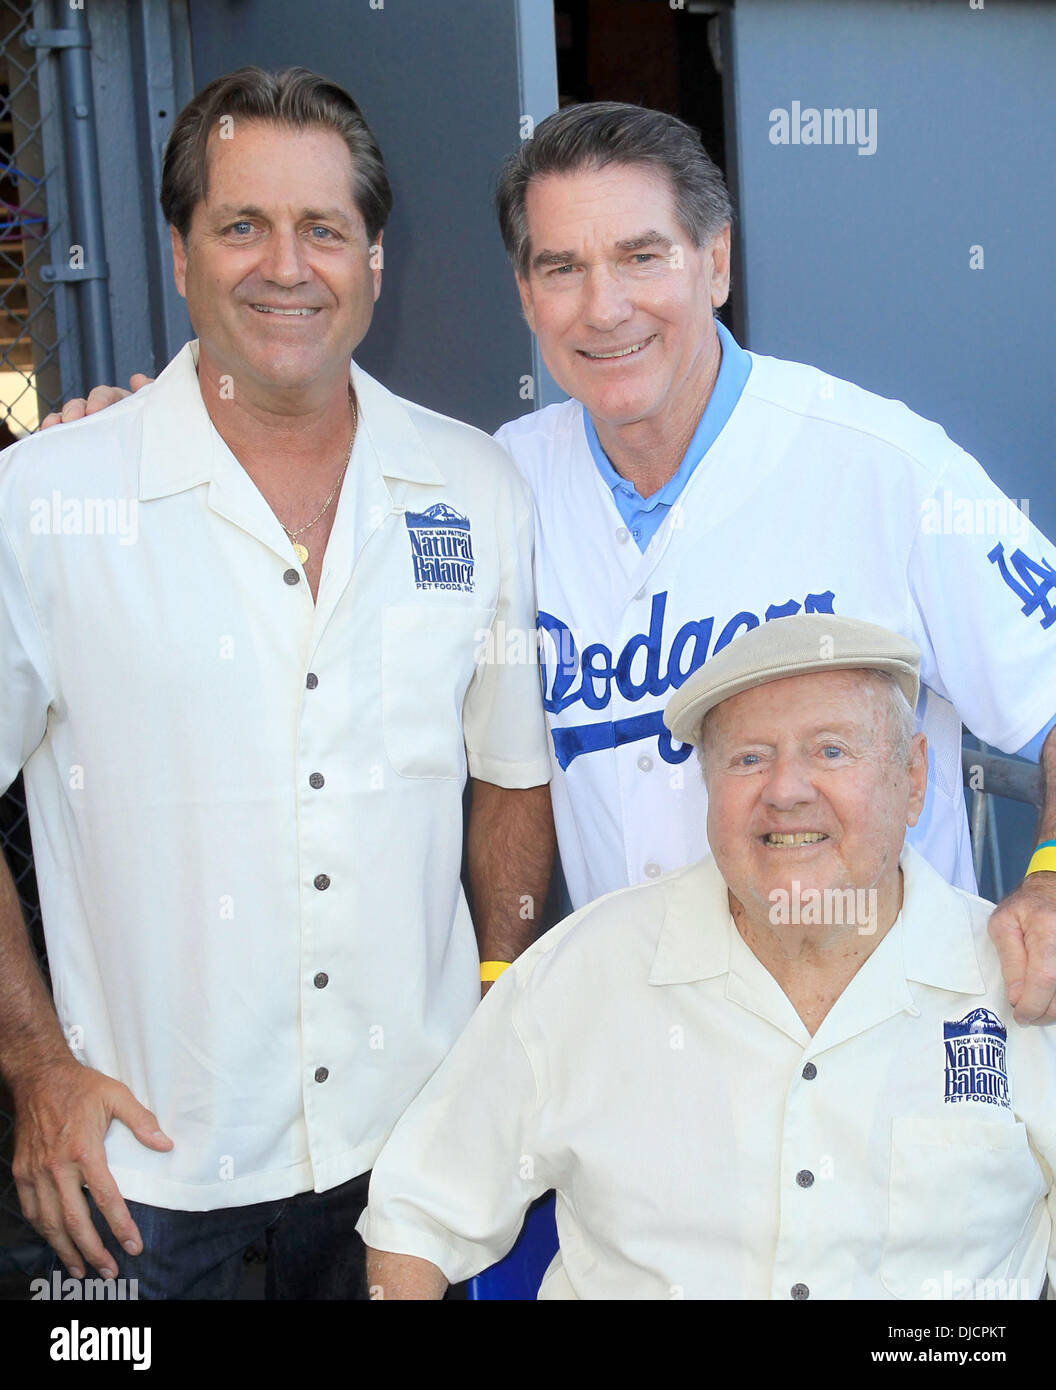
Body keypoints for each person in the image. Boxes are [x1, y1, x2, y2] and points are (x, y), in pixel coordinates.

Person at [48, 101, 1056, 1023]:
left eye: (641, 256)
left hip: (882, 1033)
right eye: (561, 267)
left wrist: (1048, 875)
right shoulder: (493, 482)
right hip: (639, 1054)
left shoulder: (885, 467)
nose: (603, 307)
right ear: (526, 297)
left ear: (716, 262)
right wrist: (138, 431)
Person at [0, 66, 553, 1299]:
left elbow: (511, 775)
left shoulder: (474, 488)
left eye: (324, 230)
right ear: (182, 251)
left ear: (373, 259)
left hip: (403, 1160)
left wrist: (495, 1011)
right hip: (134, 1181)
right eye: (242, 224)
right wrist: (35, 1065)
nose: (285, 266)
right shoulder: (43, 504)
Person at [360, 614, 1056, 1300]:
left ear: (912, 779)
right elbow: (419, 1211)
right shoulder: (589, 970)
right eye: (749, 759)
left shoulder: (1022, 977)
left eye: (830, 752)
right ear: (707, 790)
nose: (785, 790)